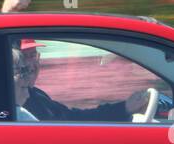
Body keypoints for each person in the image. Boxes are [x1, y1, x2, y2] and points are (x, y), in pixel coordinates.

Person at [12, 38, 155, 122]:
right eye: (26, 56)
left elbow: (71, 117)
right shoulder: (17, 103)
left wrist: (124, 108)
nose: (32, 64)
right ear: (14, 64)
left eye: (34, 55)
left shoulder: (36, 95)